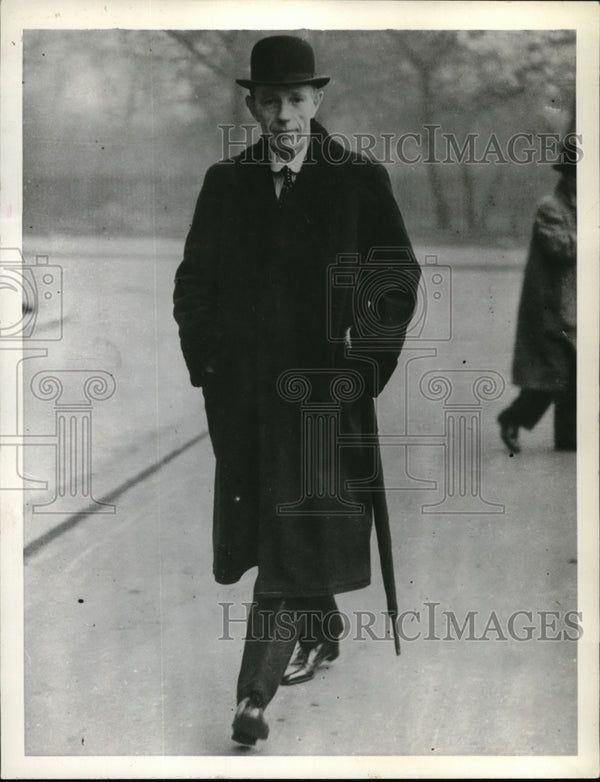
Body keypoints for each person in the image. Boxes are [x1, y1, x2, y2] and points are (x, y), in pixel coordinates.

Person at [173, 35, 420, 746]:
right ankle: (323, 624)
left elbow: (394, 280)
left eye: (296, 99)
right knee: (284, 528)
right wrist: (209, 360)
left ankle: (253, 697)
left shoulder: (356, 179)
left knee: (287, 537)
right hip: (246, 398)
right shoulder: (227, 182)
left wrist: (362, 366)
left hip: (323, 397)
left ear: (316, 101)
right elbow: (195, 282)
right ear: (252, 106)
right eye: (270, 101)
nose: (284, 115)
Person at [498, 134, 577, 453]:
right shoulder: (551, 207)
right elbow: (560, 248)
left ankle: (569, 439)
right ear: (567, 176)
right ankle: (512, 418)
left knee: (572, 377)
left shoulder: (581, 207)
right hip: (552, 310)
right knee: (552, 379)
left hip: (574, 308)